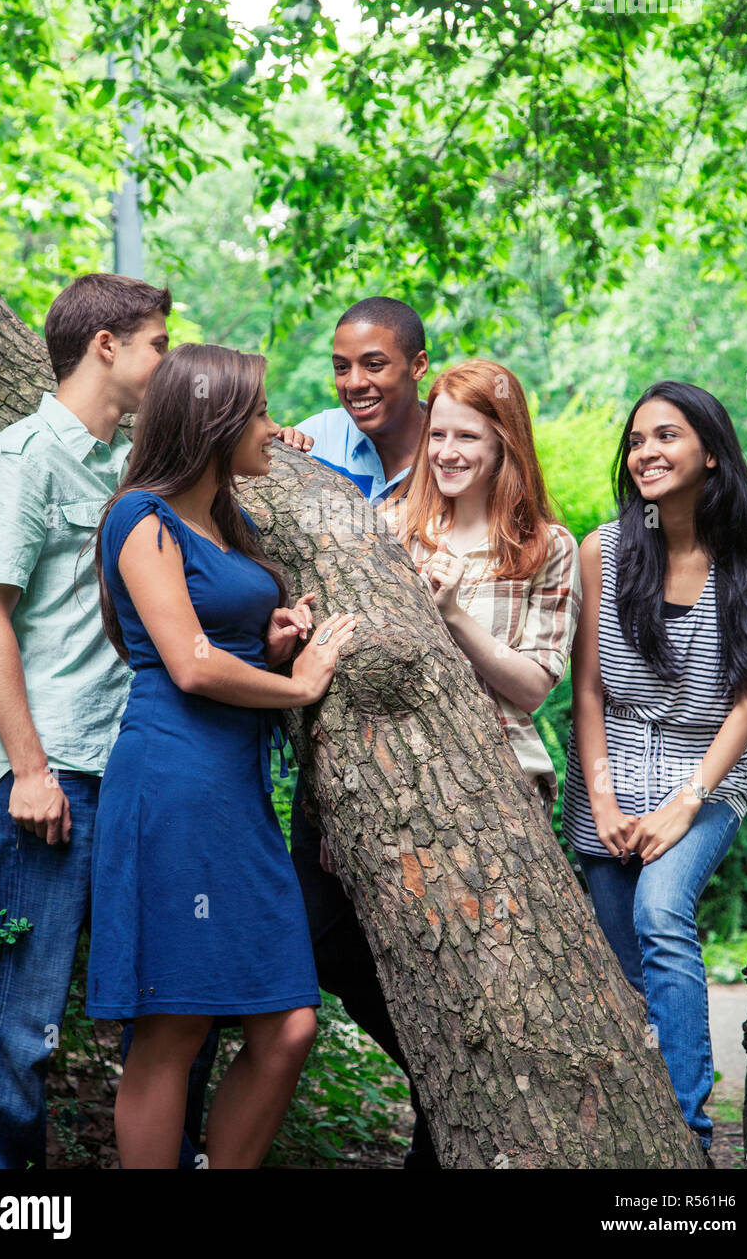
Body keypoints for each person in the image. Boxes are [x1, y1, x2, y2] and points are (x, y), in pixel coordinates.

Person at [88, 342, 357, 1169]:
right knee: (174, 1024)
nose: (276, 429)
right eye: (264, 412)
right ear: (214, 421)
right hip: (172, 781)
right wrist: (302, 683)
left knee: (288, 1023)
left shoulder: (219, 521)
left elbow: (221, 646)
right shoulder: (142, 515)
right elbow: (192, 664)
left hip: (232, 791)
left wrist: (271, 647)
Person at [0, 273, 171, 1168]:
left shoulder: (134, 465)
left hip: (134, 767)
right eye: (158, 341)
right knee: (19, 1017)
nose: (168, 357)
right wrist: (30, 770)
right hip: (50, 774)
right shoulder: (18, 459)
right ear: (107, 345)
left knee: (167, 1003)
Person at [561, 381, 747, 1156]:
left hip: (707, 773)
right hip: (610, 773)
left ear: (711, 453)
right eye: (636, 440)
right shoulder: (606, 548)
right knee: (623, 971)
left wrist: (687, 800)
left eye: (666, 436)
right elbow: (585, 691)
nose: (645, 452)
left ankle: (690, 1140)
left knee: (662, 911)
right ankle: (635, 1131)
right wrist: (605, 797)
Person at [279, 295, 440, 1167]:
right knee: (319, 933)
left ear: (417, 366)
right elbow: (225, 438)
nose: (353, 383)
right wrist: (276, 443)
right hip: (336, 750)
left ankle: (438, 1130)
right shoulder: (316, 444)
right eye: (342, 365)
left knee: (436, 941)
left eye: (373, 364)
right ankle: (438, 1077)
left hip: (436, 756)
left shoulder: (455, 447)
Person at [383, 359, 581, 808]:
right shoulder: (394, 529)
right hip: (400, 780)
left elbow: (532, 689)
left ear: (503, 444)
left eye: (467, 436)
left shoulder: (548, 548)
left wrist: (453, 616)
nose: (446, 452)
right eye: (437, 435)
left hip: (503, 783)